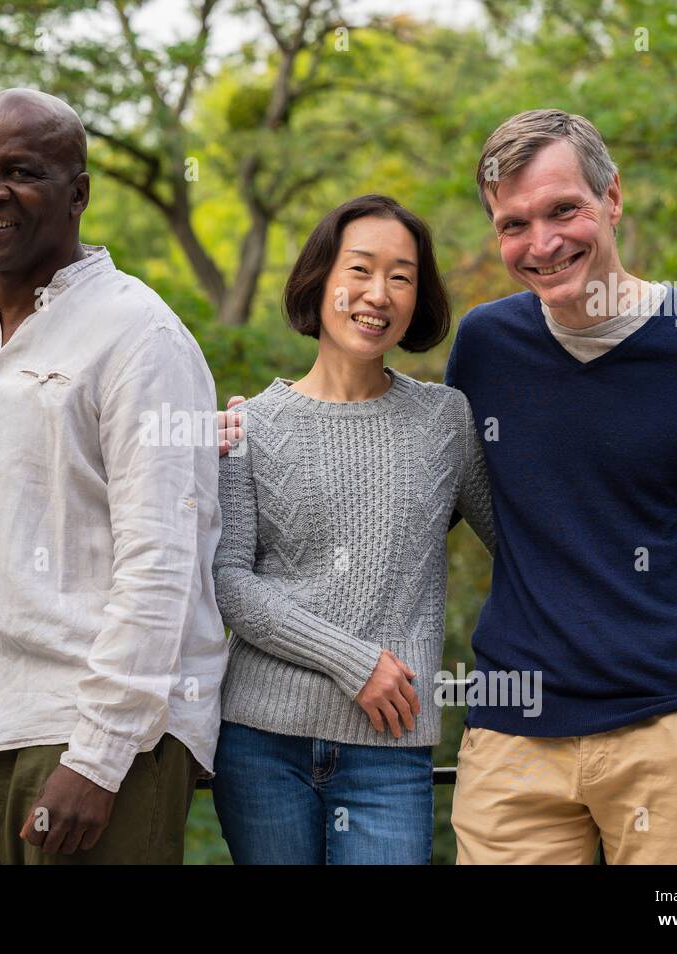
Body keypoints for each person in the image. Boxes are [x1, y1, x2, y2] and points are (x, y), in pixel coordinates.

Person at [220, 108, 677, 864]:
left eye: (563, 210)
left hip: (675, 741)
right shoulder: (487, 347)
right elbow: (403, 496)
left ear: (612, 198)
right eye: (514, 224)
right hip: (511, 749)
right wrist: (249, 443)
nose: (542, 244)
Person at [0, 88, 228, 865]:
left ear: (78, 193)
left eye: (20, 171)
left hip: (94, 736)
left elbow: (162, 559)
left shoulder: (139, 335)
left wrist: (100, 756)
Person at [210, 194, 495, 864]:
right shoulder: (250, 426)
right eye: (360, 270)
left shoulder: (445, 421)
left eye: (401, 277)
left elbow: (525, 545)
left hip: (389, 750)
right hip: (259, 741)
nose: (379, 293)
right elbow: (228, 581)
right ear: (321, 281)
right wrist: (354, 661)